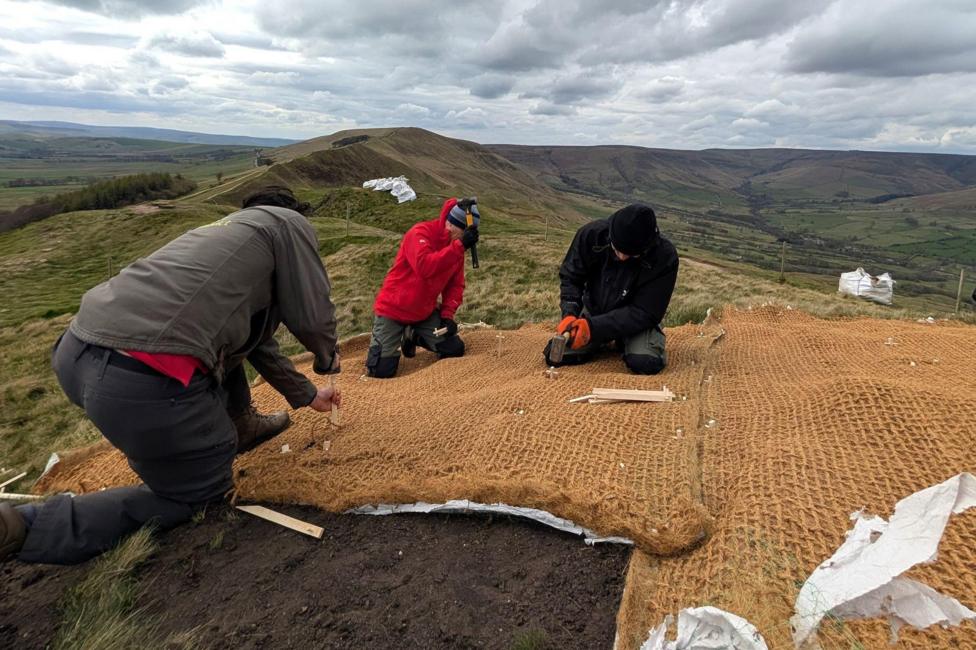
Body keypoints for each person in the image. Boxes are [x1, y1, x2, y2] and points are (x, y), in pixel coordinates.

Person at [0, 185, 342, 564]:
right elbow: (313, 315)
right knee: (197, 495)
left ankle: (240, 427)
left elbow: (252, 342)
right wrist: (328, 359)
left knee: (217, 351)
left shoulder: (229, 235)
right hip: (141, 375)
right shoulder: (289, 225)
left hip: (76, 350)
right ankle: (20, 527)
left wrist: (307, 394)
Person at [544, 203, 678, 374]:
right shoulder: (591, 235)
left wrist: (593, 328)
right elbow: (571, 278)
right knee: (555, 355)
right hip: (595, 311)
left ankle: (625, 341)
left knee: (645, 362)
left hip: (636, 321)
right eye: (617, 249)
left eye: (631, 254)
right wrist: (570, 313)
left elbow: (646, 312)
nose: (622, 257)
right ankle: (601, 341)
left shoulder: (665, 257)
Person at [366, 197, 480, 378]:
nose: (466, 238)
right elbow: (424, 266)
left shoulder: (456, 248)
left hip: (423, 313)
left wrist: (447, 316)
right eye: (465, 233)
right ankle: (392, 338)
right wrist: (459, 246)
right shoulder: (420, 232)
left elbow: (455, 285)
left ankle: (413, 335)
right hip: (392, 310)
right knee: (381, 370)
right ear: (451, 225)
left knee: (453, 349)